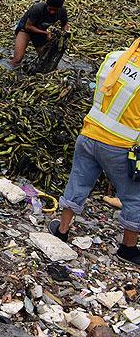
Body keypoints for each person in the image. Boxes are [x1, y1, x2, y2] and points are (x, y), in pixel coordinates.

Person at [48, 38, 140, 266]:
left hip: (88, 134)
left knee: (78, 182)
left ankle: (62, 230)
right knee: (134, 196)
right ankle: (128, 248)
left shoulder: (114, 56)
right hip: (120, 145)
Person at [10, 0, 70, 68]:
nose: (52, 12)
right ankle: (10, 71)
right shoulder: (38, 9)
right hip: (25, 31)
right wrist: (46, 33)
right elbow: (28, 26)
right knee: (18, 59)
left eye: (55, 10)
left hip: (39, 33)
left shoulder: (62, 11)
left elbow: (64, 24)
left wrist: (64, 35)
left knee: (45, 59)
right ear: (46, 5)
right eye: (50, 9)